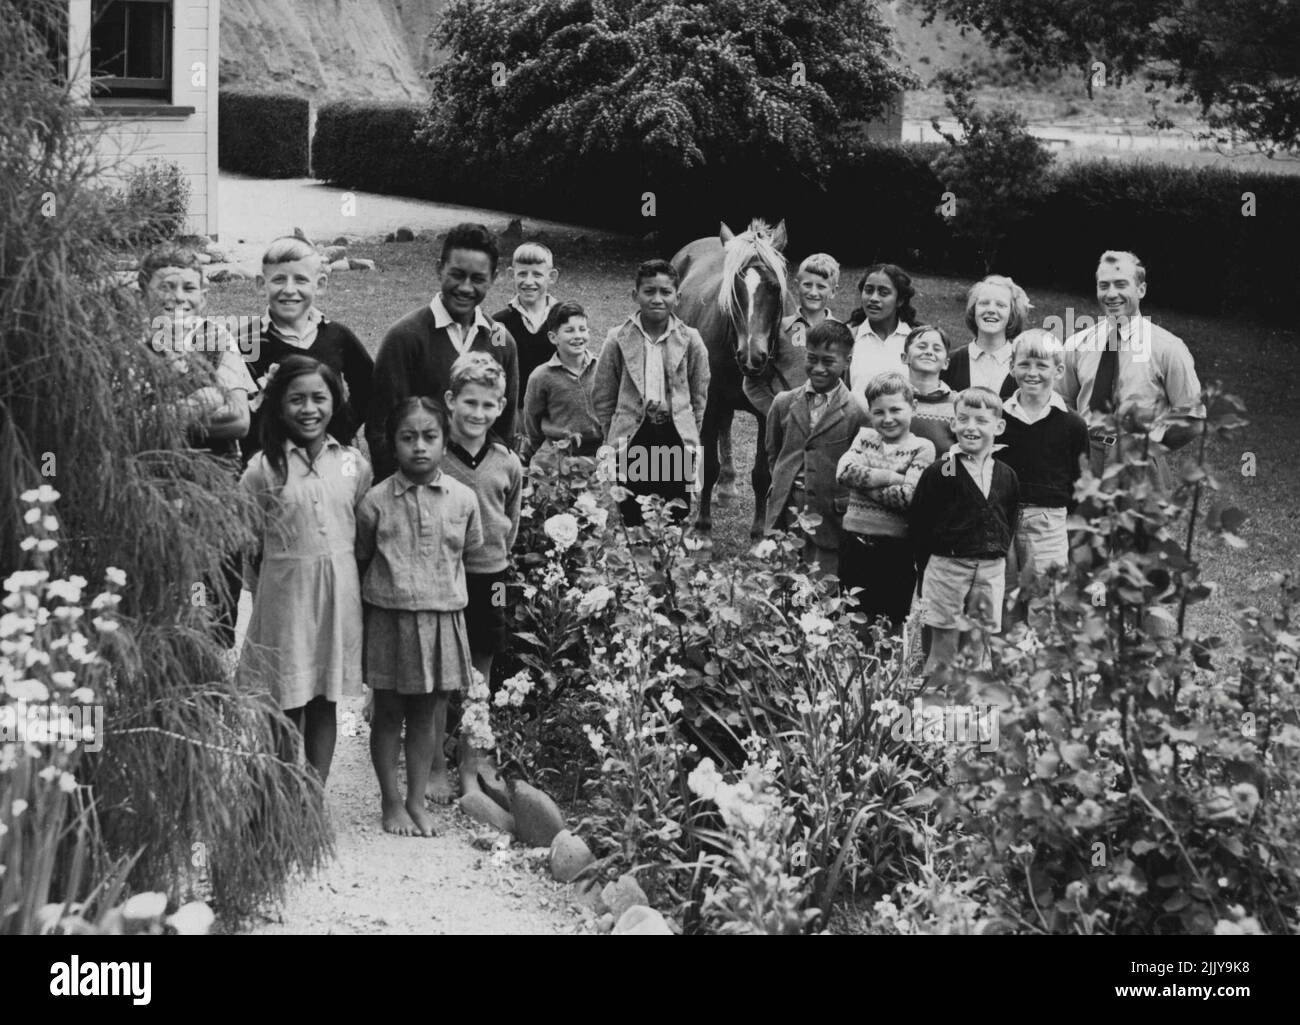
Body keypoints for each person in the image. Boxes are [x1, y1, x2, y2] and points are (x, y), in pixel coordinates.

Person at [238, 356, 371, 784]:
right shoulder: (263, 468)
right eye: (296, 399)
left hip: (336, 599)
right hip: (286, 599)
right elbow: (247, 538)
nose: (309, 408)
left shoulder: (352, 463)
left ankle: (313, 795)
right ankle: (279, 794)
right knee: (286, 700)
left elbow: (362, 528)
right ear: (278, 405)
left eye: (319, 398)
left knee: (323, 700)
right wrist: (264, 595)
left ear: (335, 402)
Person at [355, 397, 479, 836]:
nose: (420, 448)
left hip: (442, 619)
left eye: (430, 437)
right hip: (391, 620)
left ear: (445, 443)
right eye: (408, 438)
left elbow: (469, 550)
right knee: (389, 714)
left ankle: (416, 800)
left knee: (427, 716)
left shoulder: (463, 500)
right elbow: (362, 557)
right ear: (392, 444)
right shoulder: (374, 503)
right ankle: (391, 802)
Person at [139, 242, 255, 649]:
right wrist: (200, 402)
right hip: (152, 490)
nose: (178, 298)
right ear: (144, 292)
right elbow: (127, 424)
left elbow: (239, 420)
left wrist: (162, 411)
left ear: (204, 296)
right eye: (166, 286)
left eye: (189, 287)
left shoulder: (218, 339)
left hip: (217, 490)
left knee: (217, 586)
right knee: (159, 595)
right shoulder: (132, 348)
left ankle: (215, 680)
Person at [368, 223, 519, 481]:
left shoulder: (500, 340)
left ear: (493, 278)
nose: (465, 287)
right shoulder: (405, 336)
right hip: (418, 491)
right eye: (457, 275)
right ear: (440, 269)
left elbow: (504, 429)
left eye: (478, 279)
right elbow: (382, 429)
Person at [440, 353, 522, 798]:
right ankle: (435, 759)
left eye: (488, 406)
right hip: (443, 578)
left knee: (481, 668)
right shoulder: (435, 457)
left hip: (491, 578)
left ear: (502, 406)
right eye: (469, 403)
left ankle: (471, 763)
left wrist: (498, 560)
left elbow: (512, 518)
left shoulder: (507, 462)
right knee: (438, 670)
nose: (478, 414)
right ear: (451, 400)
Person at [1058, 250, 1204, 486]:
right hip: (1085, 461)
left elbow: (1192, 420)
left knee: (1136, 524)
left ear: (1141, 290)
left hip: (1139, 467)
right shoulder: (1077, 344)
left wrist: (1149, 449)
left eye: (1121, 284)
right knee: (1080, 523)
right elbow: (1061, 403)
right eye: (1103, 285)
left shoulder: (1168, 348)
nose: (1111, 294)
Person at [909, 387, 1020, 678]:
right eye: (964, 419)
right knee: (943, 648)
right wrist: (925, 572)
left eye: (981, 420)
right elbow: (921, 522)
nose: (971, 427)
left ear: (999, 426)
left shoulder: (1007, 475)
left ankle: (974, 718)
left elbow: (1008, 519)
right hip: (947, 567)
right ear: (953, 424)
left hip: (990, 570)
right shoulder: (943, 470)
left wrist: (994, 557)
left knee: (977, 646)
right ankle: (933, 717)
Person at [592, 258, 710, 527]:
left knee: (675, 511)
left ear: (677, 297)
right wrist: (614, 433)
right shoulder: (617, 338)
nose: (657, 299)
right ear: (636, 295)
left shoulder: (691, 340)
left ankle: (669, 565)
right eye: (649, 291)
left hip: (675, 437)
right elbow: (603, 396)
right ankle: (635, 562)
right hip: (633, 437)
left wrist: (687, 428)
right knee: (632, 511)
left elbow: (699, 396)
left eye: (665, 292)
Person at [241, 236, 373, 465]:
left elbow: (369, 385)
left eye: (301, 280)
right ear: (261, 284)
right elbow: (239, 410)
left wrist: (343, 426)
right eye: (279, 279)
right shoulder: (247, 341)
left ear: (319, 284)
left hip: (331, 460)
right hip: (272, 464)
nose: (289, 290)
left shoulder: (337, 336)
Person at [836, 371, 935, 651]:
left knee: (891, 620)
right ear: (870, 413)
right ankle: (853, 679)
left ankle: (885, 680)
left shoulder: (922, 448)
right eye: (878, 412)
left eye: (896, 409)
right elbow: (843, 472)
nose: (887, 418)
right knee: (854, 615)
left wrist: (864, 479)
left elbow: (907, 497)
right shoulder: (864, 437)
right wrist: (893, 477)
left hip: (896, 548)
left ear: (913, 407)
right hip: (854, 541)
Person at [765, 320, 870, 577]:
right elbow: (774, 452)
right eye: (812, 358)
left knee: (820, 587)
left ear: (847, 361)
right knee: (783, 583)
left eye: (829, 361)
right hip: (787, 510)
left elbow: (859, 466)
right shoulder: (784, 402)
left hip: (829, 518)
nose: (819, 368)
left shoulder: (856, 412)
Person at [999, 329, 1090, 618]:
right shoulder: (998, 417)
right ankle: (1006, 662)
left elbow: (1079, 480)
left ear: (1059, 370)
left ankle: (1041, 662)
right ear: (1012, 366)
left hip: (1049, 523)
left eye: (1042, 365)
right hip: (1002, 519)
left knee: (1044, 602)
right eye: (1024, 364)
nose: (1032, 373)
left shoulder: (1072, 424)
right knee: (1004, 600)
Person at [743, 252, 841, 416]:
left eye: (822, 287)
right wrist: (778, 415)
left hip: (827, 429)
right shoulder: (778, 330)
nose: (813, 292)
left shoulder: (842, 334)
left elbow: (849, 386)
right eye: (807, 284)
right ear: (796, 286)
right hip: (785, 430)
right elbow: (752, 384)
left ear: (833, 291)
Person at [520, 300, 602, 468]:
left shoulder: (602, 368)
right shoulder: (541, 376)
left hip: (598, 453)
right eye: (569, 330)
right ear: (553, 337)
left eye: (582, 329)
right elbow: (532, 421)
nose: (578, 336)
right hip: (557, 456)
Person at [493, 242, 560, 419]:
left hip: (556, 413)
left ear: (551, 277)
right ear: (511, 275)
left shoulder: (564, 319)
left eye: (537, 274)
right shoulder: (498, 323)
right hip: (514, 414)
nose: (529, 281)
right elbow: (493, 367)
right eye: (522, 274)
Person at [941, 275, 1028, 400]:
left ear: (1012, 313)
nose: (991, 310)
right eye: (984, 303)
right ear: (974, 310)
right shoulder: (951, 362)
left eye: (1000, 305)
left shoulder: (1025, 364)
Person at [846, 263, 917, 397]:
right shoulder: (849, 337)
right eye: (868, 290)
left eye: (883, 293)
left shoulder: (916, 340)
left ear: (900, 300)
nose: (873, 298)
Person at [901, 324, 958, 455]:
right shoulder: (890, 398)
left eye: (937, 349)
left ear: (946, 363)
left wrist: (949, 474)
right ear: (904, 357)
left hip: (943, 474)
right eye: (921, 347)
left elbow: (959, 452)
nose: (929, 352)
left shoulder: (958, 404)